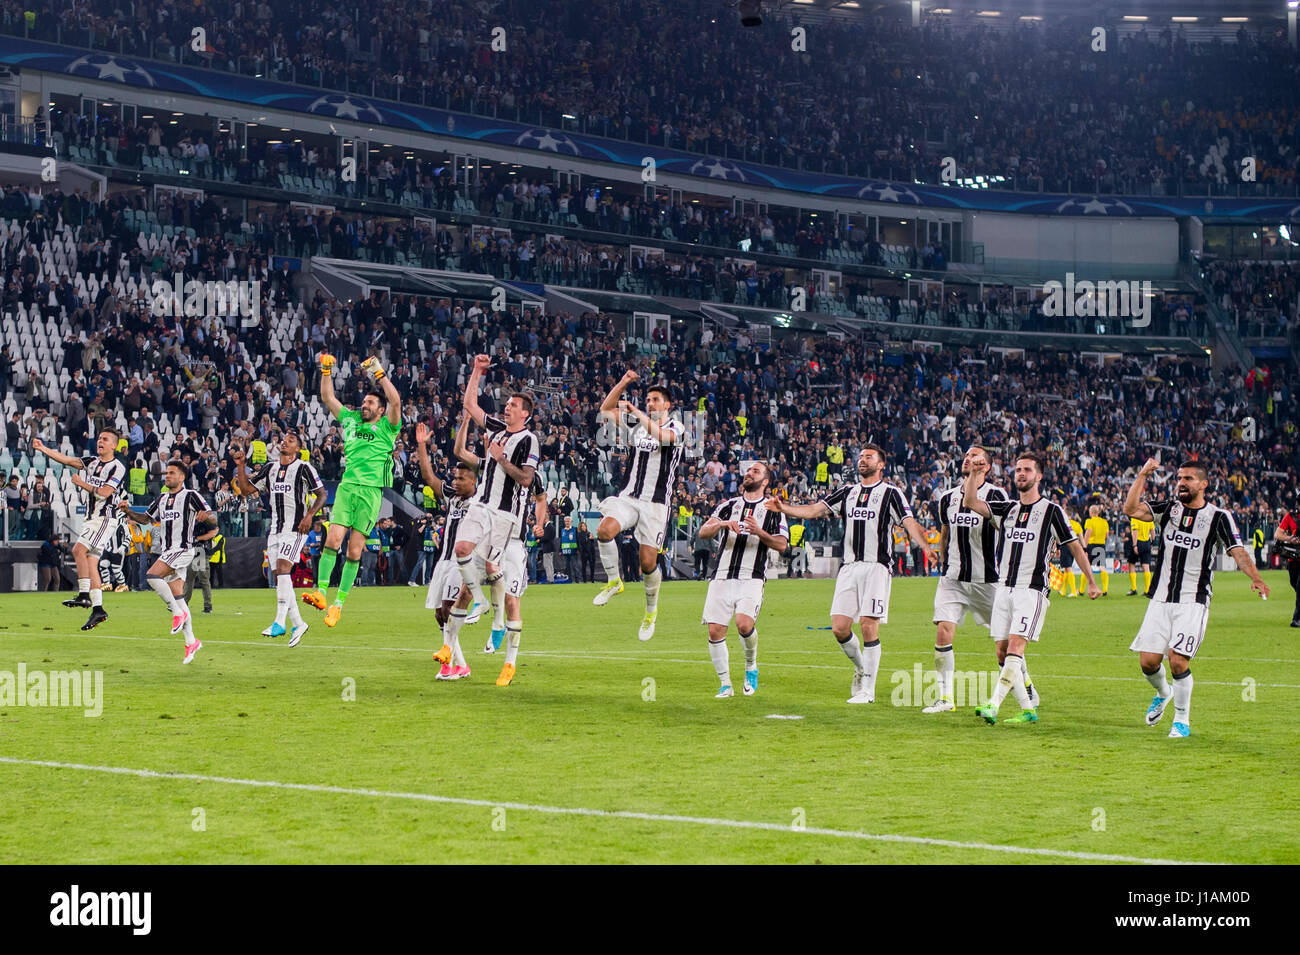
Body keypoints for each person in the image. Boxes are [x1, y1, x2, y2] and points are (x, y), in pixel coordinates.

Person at [768, 444, 934, 704]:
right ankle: (860, 667)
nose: (862, 460)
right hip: (849, 568)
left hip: (876, 567)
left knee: (869, 625)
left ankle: (868, 690)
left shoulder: (891, 493)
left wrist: (925, 546)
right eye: (860, 457)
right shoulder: (848, 492)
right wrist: (784, 509)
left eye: (869, 457)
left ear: (881, 465)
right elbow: (815, 510)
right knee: (840, 628)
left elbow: (909, 522)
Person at [1124, 457, 1270, 737]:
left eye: (1188, 478)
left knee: (1178, 660)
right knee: (1148, 662)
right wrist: (1143, 474)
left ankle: (1182, 720)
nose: (1181, 483)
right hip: (1161, 599)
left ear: (1203, 484)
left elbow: (1237, 551)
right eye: (1179, 478)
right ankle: (1163, 692)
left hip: (1193, 601)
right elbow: (1130, 508)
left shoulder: (1218, 517)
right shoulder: (1168, 509)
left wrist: (1256, 578)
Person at [963, 452, 1100, 726]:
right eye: (1017, 470)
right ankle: (1028, 709)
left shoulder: (1052, 511)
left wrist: (1091, 579)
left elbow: (1073, 544)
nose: (1021, 474)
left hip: (1032, 590)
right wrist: (974, 475)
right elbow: (970, 502)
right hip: (1004, 588)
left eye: (1027, 470)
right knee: (1002, 652)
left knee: (1016, 645)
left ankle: (994, 704)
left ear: (1039, 476)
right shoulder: (1008, 509)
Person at [446, 354, 541, 687]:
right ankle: (455, 642)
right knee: (461, 551)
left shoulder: (528, 440)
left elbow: (527, 480)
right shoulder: (497, 429)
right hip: (481, 507)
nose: (508, 408)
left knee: (507, 592)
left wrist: (500, 460)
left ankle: (509, 661)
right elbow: (470, 403)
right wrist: (475, 370)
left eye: (514, 406)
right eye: (508, 404)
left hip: (505, 519)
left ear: (525, 414)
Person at [301, 353, 401, 628]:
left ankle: (337, 605)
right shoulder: (351, 419)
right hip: (347, 488)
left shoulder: (387, 426)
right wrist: (325, 370)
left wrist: (379, 373)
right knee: (332, 541)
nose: (364, 404)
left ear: (380, 410)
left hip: (371, 493)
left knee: (355, 552)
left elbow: (396, 401)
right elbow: (327, 398)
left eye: (370, 402)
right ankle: (321, 593)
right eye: (365, 401)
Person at [592, 370, 684, 641]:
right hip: (629, 497)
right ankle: (614, 581)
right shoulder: (637, 426)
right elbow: (605, 409)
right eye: (648, 399)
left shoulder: (676, 428)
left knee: (647, 563)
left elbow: (663, 438)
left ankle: (650, 612)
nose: (650, 403)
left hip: (655, 505)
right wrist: (623, 383)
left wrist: (638, 413)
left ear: (667, 405)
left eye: (655, 400)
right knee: (604, 531)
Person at [924, 446, 1011, 714]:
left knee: (1004, 646)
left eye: (974, 456)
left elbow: (1006, 530)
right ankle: (945, 698)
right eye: (966, 455)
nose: (967, 458)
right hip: (953, 579)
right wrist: (939, 555)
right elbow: (945, 531)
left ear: (985, 465)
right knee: (943, 632)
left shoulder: (997, 495)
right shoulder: (947, 498)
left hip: (988, 581)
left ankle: (1025, 685)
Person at [699, 462, 788, 697]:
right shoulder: (728, 506)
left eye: (756, 471)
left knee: (744, 624)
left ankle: (751, 666)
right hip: (721, 576)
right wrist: (721, 524)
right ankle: (725, 684)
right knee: (715, 630)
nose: (749, 473)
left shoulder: (772, 510)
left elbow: (782, 545)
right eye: (748, 471)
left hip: (752, 577)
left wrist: (759, 532)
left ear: (766, 482)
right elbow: (702, 532)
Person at [233, 431, 325, 645]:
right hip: (275, 529)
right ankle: (298, 623)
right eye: (284, 439)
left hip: (296, 529)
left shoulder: (304, 468)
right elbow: (246, 490)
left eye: (291, 440)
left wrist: (310, 516)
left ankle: (279, 621)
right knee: (280, 576)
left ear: (298, 449)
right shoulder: (270, 468)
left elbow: (322, 494)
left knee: (284, 568)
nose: (285, 441)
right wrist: (241, 465)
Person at [117, 460, 214, 663]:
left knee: (152, 575)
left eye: (171, 473)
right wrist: (128, 511)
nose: (167, 476)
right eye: (166, 473)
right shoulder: (161, 499)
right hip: (168, 551)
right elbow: (145, 519)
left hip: (183, 548)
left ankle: (178, 613)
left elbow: (212, 517)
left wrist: (207, 517)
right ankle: (191, 642)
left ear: (182, 477)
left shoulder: (190, 495)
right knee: (178, 596)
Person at [33, 429, 125, 631]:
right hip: (91, 518)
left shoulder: (117, 467)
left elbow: (104, 493)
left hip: (104, 518)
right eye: (99, 438)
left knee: (77, 550)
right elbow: (66, 460)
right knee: (91, 562)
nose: (100, 441)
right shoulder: (91, 461)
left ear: (114, 446)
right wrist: (43, 449)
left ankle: (84, 595)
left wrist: (81, 483)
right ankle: (98, 609)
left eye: (105, 439)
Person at [415, 417, 479, 679]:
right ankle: (460, 664)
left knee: (450, 609)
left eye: (461, 478)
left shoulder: (481, 502)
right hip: (443, 561)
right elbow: (429, 477)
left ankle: (446, 660)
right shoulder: (452, 495)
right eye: (455, 477)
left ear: (473, 481)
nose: (456, 481)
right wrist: (421, 447)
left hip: (462, 563)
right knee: (440, 615)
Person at [183, 521, 218, 614]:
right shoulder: (193, 520)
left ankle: (207, 606)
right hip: (192, 551)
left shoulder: (204, 522)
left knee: (201, 580)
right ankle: (184, 604)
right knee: (190, 580)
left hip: (200, 551)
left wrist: (197, 538)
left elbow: (214, 531)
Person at [1276, 504, 1300, 628]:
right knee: (1294, 583)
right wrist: (1290, 539)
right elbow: (1278, 534)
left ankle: (1297, 619)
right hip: (1294, 558)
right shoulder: (1291, 517)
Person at [1083, 503, 1111, 596]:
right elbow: (1107, 535)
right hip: (1101, 545)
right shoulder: (1104, 522)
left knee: (1086, 567)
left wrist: (1084, 547)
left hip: (1091, 545)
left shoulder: (1089, 521)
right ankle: (1105, 589)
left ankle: (1081, 590)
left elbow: (1088, 533)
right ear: (1098, 512)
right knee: (1102, 567)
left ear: (1091, 512)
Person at [559, 516, 578, 582]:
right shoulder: (562, 530)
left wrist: (578, 549)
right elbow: (561, 541)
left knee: (575, 566)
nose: (567, 522)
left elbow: (577, 540)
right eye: (566, 521)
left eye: (568, 521)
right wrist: (560, 550)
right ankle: (569, 580)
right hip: (565, 551)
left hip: (573, 551)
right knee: (567, 567)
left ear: (571, 522)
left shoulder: (575, 529)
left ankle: (577, 580)